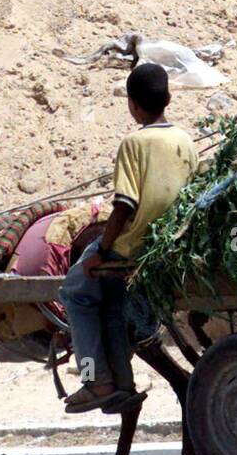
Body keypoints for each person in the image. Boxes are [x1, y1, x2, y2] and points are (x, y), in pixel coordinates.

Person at [60, 62, 199, 414]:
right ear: (169, 98)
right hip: (170, 244)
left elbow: (124, 204)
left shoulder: (133, 143)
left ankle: (94, 379)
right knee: (103, 300)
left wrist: (101, 251)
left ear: (132, 106)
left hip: (131, 247)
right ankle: (117, 373)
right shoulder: (185, 140)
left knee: (74, 292)